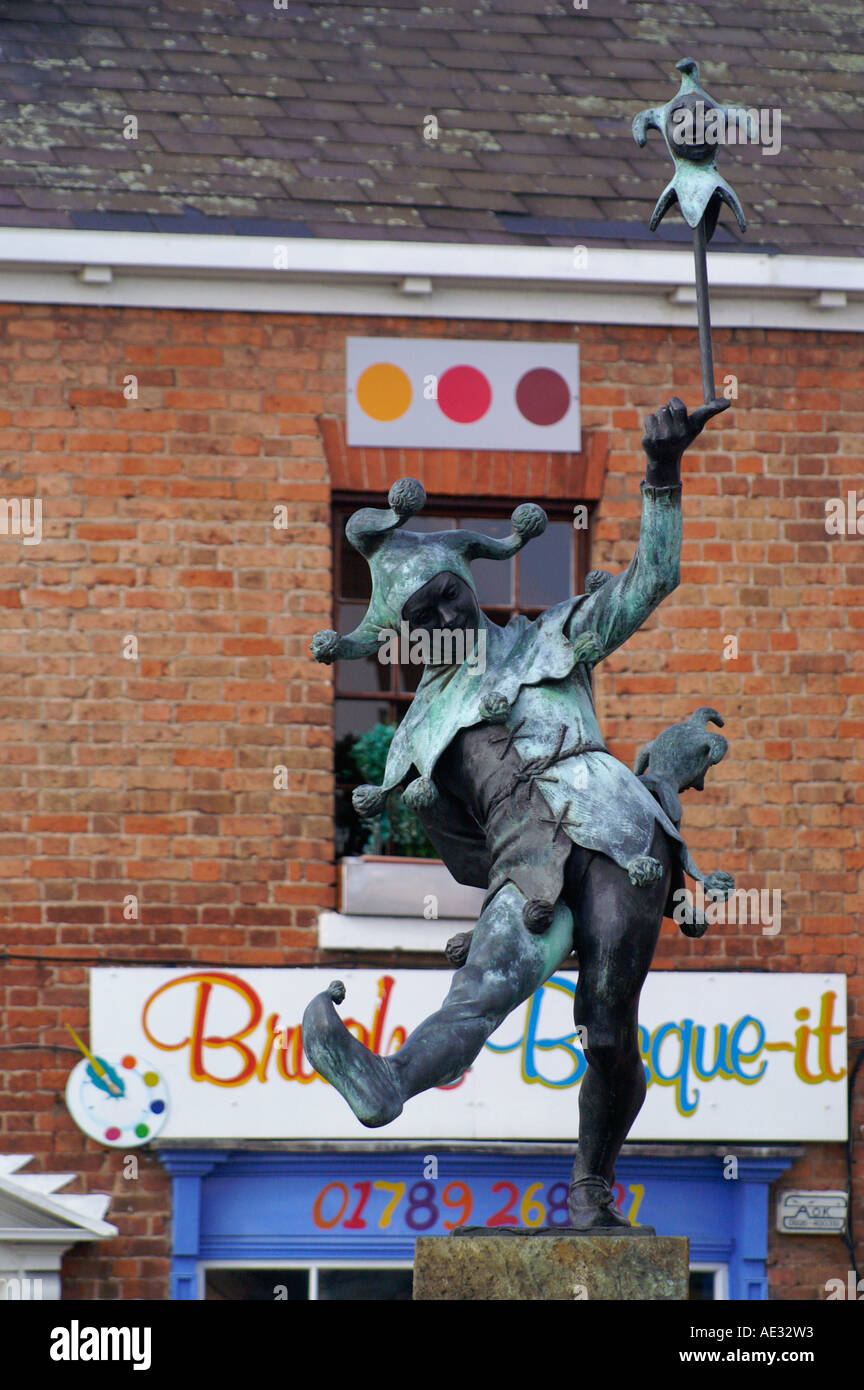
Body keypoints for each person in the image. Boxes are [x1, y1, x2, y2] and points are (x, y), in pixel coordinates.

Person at [305, 395, 729, 1231]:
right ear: (403, 637)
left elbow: (654, 579)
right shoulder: (413, 740)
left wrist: (661, 473)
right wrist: (504, 878)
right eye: (419, 618)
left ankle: (589, 1192)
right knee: (476, 996)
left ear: (469, 588)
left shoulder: (552, 639)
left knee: (607, 1029)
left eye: (447, 599)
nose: (440, 620)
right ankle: (387, 1082)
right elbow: (461, 851)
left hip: (616, 838)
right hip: (522, 868)